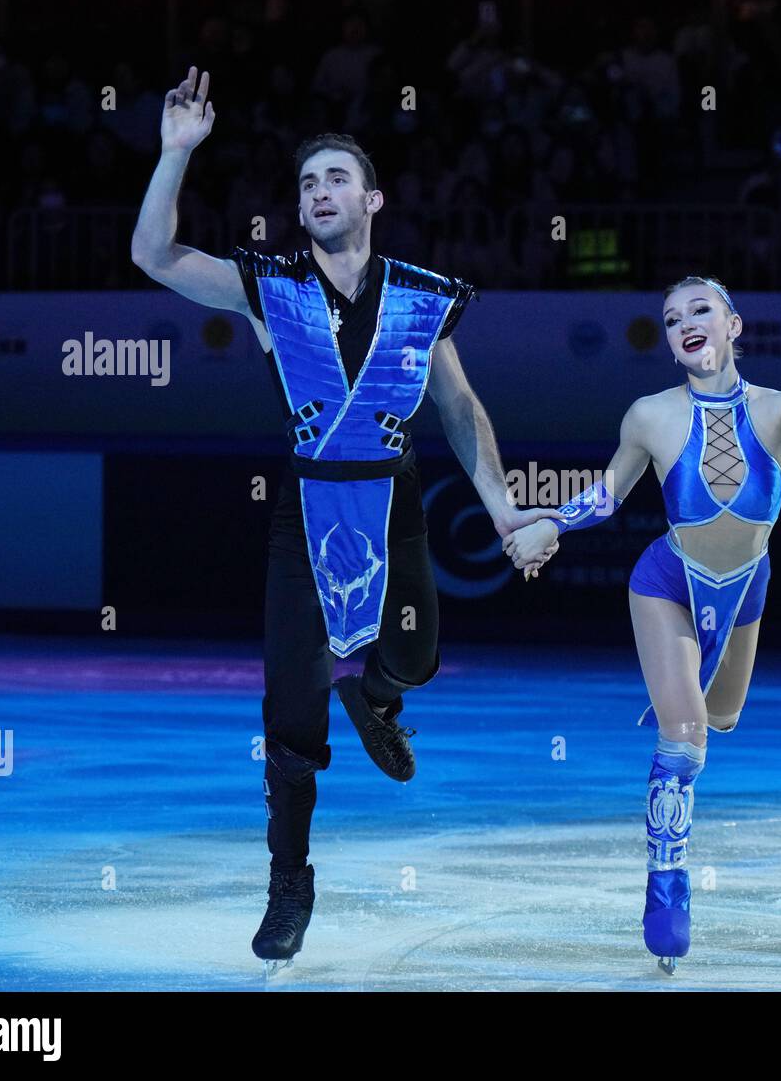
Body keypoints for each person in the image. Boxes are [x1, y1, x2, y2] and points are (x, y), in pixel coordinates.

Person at [130, 67, 559, 973]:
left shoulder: (421, 295)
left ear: (372, 199)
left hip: (394, 501)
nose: (318, 192)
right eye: (305, 183)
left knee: (418, 657)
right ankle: (290, 884)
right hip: (306, 512)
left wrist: (505, 511)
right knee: (290, 712)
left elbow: (458, 407)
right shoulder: (269, 286)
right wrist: (174, 154)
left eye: (335, 179)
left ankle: (375, 694)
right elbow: (155, 256)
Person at [504, 268, 781, 972]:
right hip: (666, 580)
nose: (686, 322)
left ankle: (687, 759)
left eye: (701, 309)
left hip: (747, 585)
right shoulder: (649, 415)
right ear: (669, 344)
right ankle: (667, 882)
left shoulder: (780, 406)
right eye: (672, 319)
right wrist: (550, 521)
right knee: (687, 733)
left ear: (733, 325)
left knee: (720, 715)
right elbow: (609, 493)